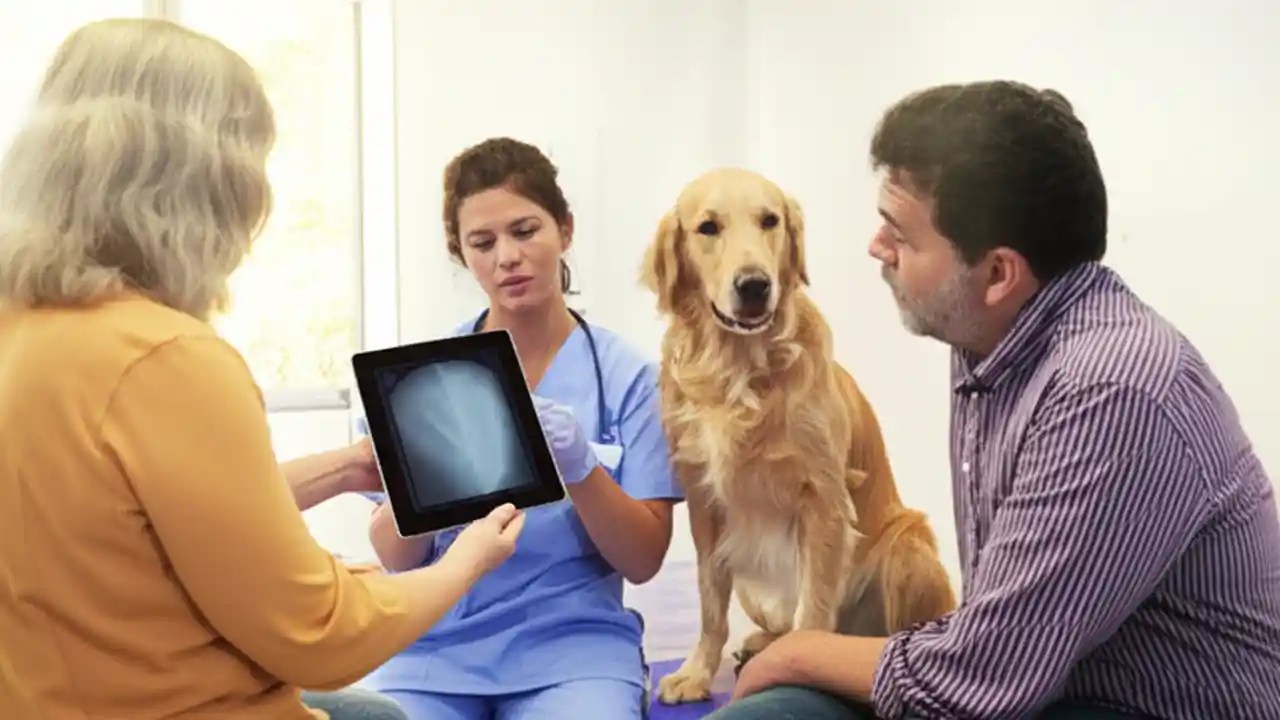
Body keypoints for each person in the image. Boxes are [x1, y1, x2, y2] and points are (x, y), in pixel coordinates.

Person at [0, 18, 524, 720]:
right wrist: (470, 560)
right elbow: (323, 634)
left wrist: (341, 469)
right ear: (209, 179)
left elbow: (141, 518)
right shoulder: (165, 359)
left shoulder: (26, 331)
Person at [707, 81, 1280, 720]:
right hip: (1036, 684)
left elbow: (980, 680)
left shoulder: (1111, 390)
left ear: (999, 274)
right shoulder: (989, 339)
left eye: (902, 235)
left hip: (1136, 705)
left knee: (790, 679)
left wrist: (796, 651)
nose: (877, 248)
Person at [359, 136, 683, 719]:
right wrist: (433, 481)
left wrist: (582, 469)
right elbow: (395, 558)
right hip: (435, 647)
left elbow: (643, 560)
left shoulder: (628, 378)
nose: (507, 256)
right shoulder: (423, 380)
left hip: (574, 654)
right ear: (461, 254)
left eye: (526, 230)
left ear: (565, 228)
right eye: (482, 243)